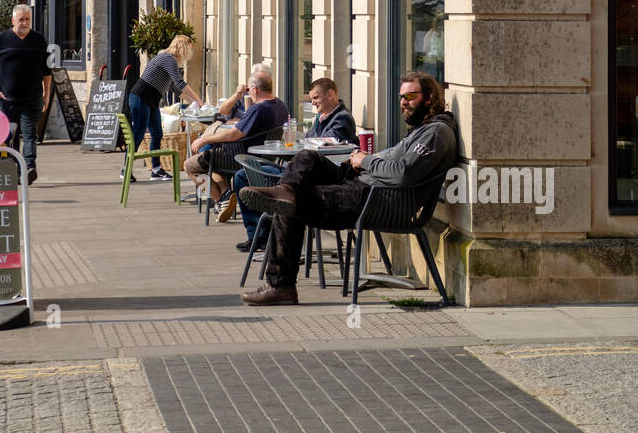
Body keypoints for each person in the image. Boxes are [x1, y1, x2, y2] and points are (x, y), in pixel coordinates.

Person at [238, 73, 457, 305]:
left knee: (293, 204)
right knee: (307, 157)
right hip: (364, 185)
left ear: (430, 97)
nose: (403, 102)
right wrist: (361, 160)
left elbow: (402, 173)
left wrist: (366, 161)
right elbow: (393, 164)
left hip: (378, 200)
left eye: (410, 96)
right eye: (401, 96)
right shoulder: (422, 130)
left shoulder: (436, 133)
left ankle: (280, 286)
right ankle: (285, 188)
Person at [228, 77, 358, 248]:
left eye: (316, 98)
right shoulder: (321, 118)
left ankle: (266, 231)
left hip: (317, 179)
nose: (312, 103)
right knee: (242, 175)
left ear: (330, 95)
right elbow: (308, 142)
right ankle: (260, 235)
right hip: (298, 171)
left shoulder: (342, 118)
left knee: (245, 177)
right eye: (311, 98)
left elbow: (323, 145)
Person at [184, 69, 288, 206]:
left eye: (249, 89)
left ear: (255, 90)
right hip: (266, 157)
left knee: (189, 166)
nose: (248, 93)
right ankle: (226, 192)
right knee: (209, 158)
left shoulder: (257, 109)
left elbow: (234, 134)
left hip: (240, 158)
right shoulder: (280, 105)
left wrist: (205, 139)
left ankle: (220, 199)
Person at [0, 5, 51, 186]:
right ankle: (13, 169)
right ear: (13, 20)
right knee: (10, 136)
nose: (24, 23)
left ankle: (29, 168)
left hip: (32, 98)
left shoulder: (38, 40)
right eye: (21, 19)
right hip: (7, 100)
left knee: (30, 135)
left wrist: (46, 93)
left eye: (27, 19)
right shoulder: (1, 40)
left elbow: (46, 70)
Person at [126, 35, 203, 182]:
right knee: (138, 134)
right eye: (189, 50)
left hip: (151, 101)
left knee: (157, 134)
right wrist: (199, 100)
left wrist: (195, 104)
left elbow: (176, 89)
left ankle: (156, 170)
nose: (189, 55)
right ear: (183, 48)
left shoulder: (168, 60)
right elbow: (180, 83)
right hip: (141, 98)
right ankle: (126, 169)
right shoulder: (168, 58)